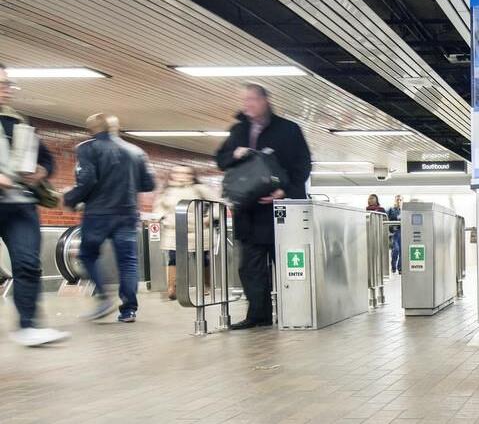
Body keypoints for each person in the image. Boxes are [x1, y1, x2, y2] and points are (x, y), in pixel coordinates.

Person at [216, 83, 312, 330]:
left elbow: (302, 165)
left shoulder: (288, 130)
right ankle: (258, 315)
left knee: (289, 265)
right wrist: (234, 155)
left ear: (265, 101)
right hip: (248, 212)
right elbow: (220, 160)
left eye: (252, 100)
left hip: (281, 212)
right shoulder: (238, 131)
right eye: (244, 100)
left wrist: (285, 192)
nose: (247, 104)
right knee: (251, 268)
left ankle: (295, 311)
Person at [0, 66, 70, 346]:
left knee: (28, 263)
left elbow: (47, 159)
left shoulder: (15, 121)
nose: (6, 88)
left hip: (20, 205)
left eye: (8, 83)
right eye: (1, 83)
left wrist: (41, 171)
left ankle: (28, 326)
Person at [64, 113, 156, 323]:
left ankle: (103, 295)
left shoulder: (87, 148)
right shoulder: (136, 151)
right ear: (115, 127)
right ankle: (128, 310)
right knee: (128, 262)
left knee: (87, 255)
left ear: (92, 129)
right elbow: (149, 184)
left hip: (98, 213)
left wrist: (70, 199)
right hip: (127, 213)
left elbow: (87, 180)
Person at [153, 165, 218, 300]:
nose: (181, 176)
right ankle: (173, 288)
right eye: (177, 173)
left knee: (201, 259)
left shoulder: (200, 189)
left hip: (198, 230)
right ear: (172, 175)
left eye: (185, 173)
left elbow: (217, 203)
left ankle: (205, 285)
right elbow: (159, 207)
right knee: (173, 258)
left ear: (191, 175)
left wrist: (209, 218)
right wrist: (159, 217)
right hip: (174, 231)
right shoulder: (167, 191)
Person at [386, 195, 404, 274]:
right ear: (395, 200)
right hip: (394, 233)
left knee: (401, 251)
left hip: (402, 232)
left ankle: (400, 268)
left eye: (400, 200)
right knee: (395, 250)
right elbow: (385, 218)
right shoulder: (390, 209)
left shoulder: (404, 211)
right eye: (397, 200)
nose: (399, 201)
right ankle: (393, 267)